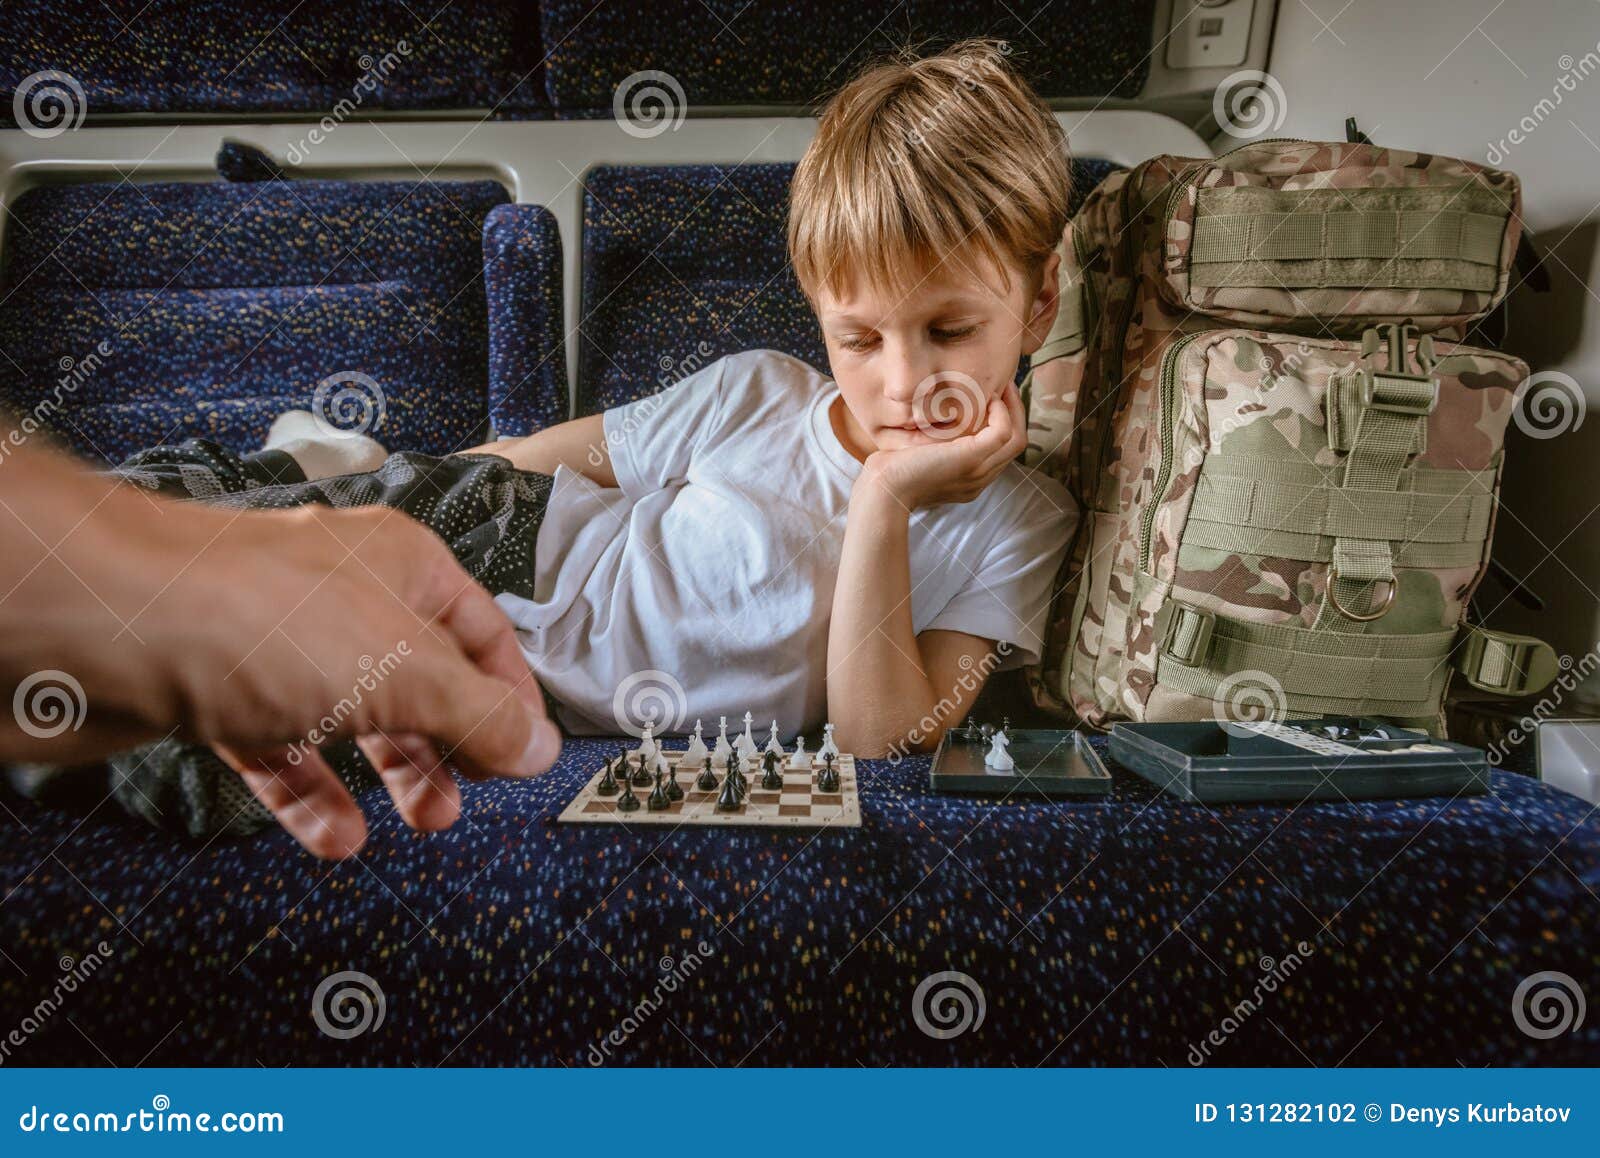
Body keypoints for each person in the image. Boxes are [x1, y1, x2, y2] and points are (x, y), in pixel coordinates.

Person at [3, 37, 1076, 852]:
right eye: (858, 337)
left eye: (947, 331)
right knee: (169, 539)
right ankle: (317, 465)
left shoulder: (1022, 522)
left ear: (1035, 310)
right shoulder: (760, 392)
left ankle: (301, 467)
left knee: (189, 763)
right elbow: (532, 457)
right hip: (501, 537)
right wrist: (387, 494)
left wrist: (885, 500)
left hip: (522, 682)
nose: (897, 381)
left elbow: (876, 741)